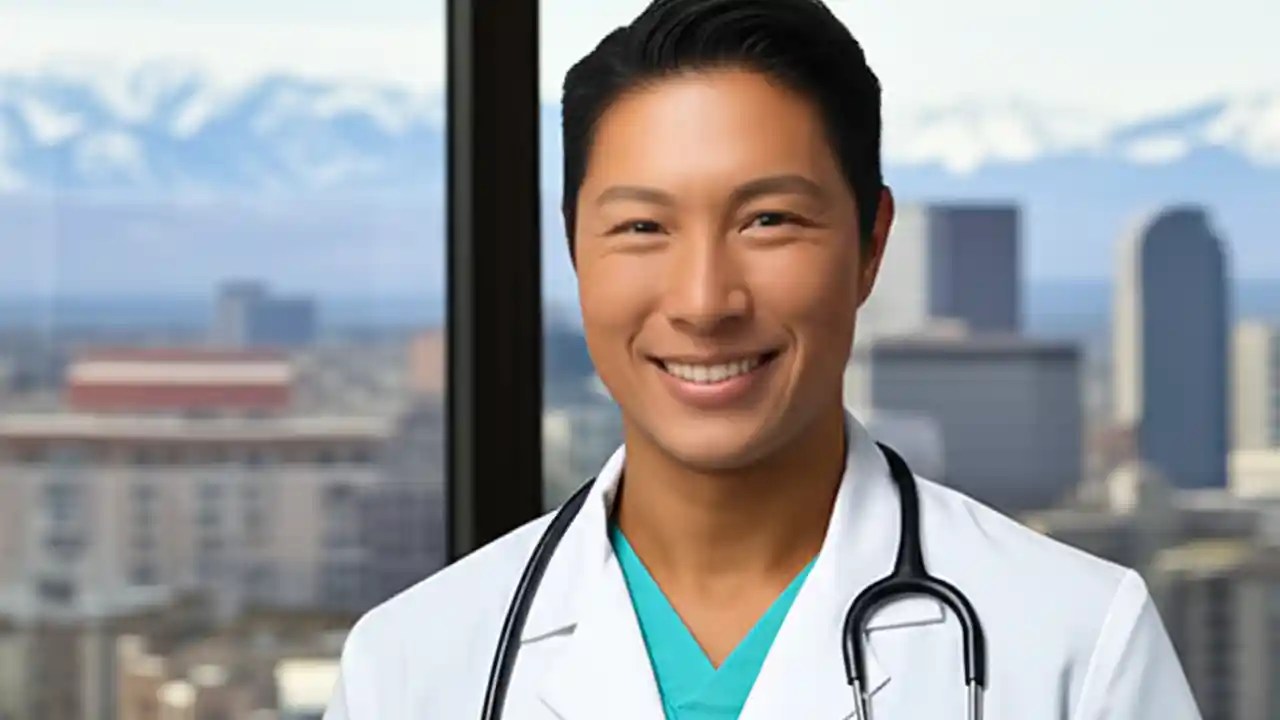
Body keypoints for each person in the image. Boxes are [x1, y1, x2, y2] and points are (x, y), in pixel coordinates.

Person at [324, 0, 1201, 717]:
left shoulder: (1074, 647)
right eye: (642, 227)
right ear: (574, 250)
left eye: (768, 221)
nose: (705, 301)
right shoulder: (415, 666)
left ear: (870, 244)